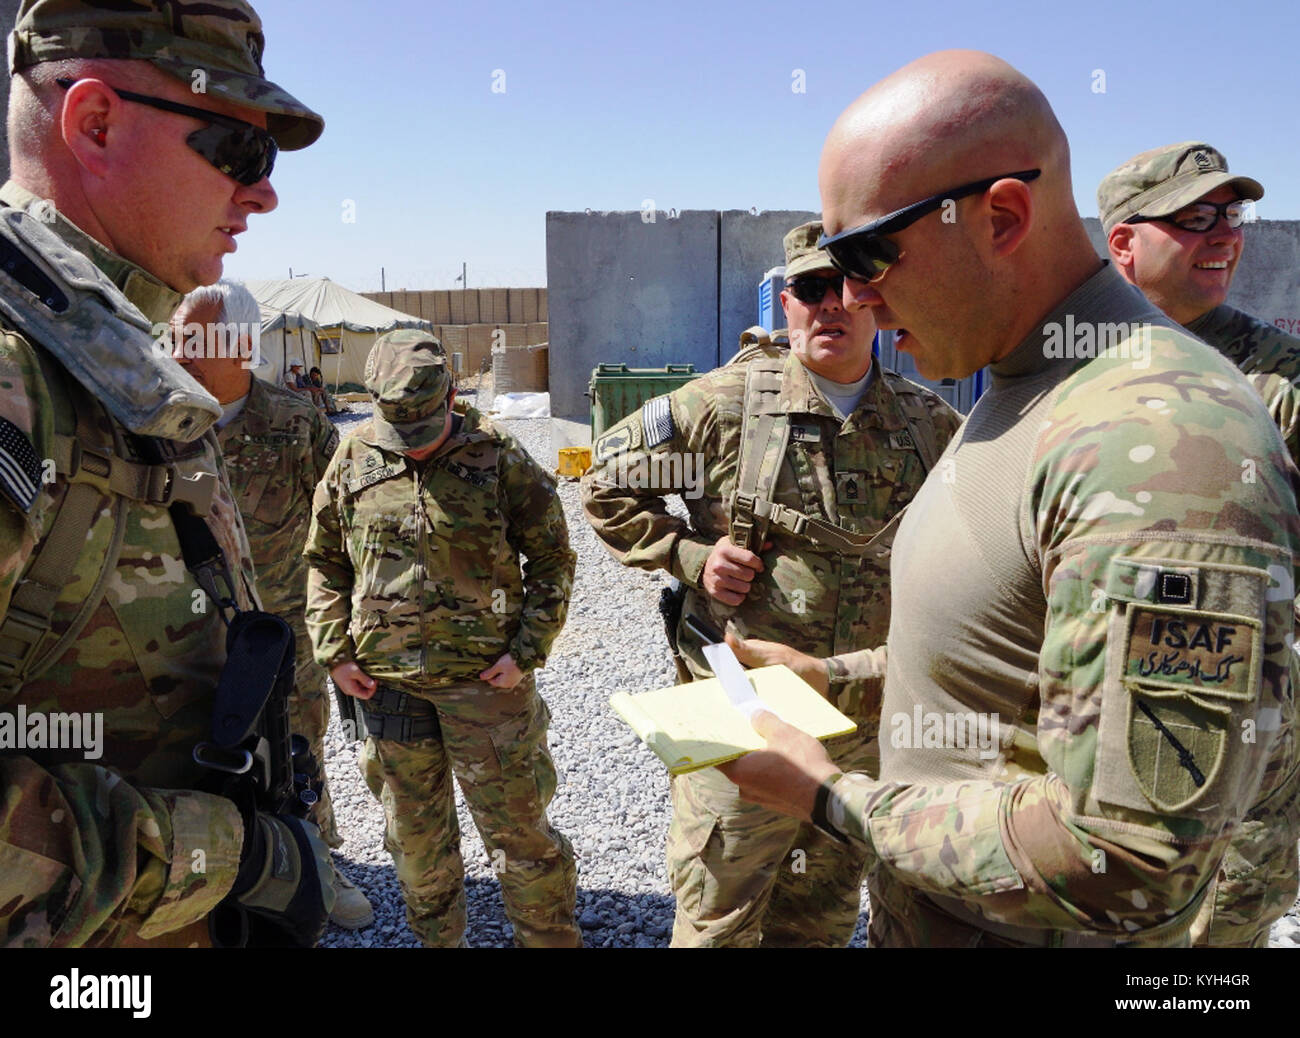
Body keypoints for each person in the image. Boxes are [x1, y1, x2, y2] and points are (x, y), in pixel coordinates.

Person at [719, 50, 1300, 948]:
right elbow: (1007, 657)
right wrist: (829, 682)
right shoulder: (1025, 380)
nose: (858, 294)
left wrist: (832, 798)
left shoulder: (1159, 440)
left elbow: (1132, 862)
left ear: (1001, 216)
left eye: (869, 252)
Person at [0, 0, 333, 947]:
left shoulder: (98, 349)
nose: (263, 195)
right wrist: (221, 857)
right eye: (239, 151)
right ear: (95, 122)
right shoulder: (17, 372)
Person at [581, 222, 961, 947]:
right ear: (788, 303)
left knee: (819, 916)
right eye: (813, 290)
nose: (833, 306)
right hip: (740, 711)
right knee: (717, 918)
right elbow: (603, 484)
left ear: (878, 301)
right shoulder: (720, 407)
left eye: (852, 288)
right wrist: (689, 556)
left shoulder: (927, 421)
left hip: (861, 715)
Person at [304, 330, 580, 947]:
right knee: (416, 844)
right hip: (387, 691)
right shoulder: (353, 457)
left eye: (424, 428)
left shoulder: (501, 456)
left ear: (453, 394)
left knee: (521, 839)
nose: (414, 446)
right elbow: (324, 561)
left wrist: (528, 649)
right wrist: (334, 651)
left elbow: (554, 558)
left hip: (487, 688)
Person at [1098, 143, 1300, 947]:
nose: (1223, 234)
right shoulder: (1070, 362)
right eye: (1194, 217)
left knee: (1211, 954)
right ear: (1125, 243)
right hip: (1094, 721)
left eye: (1231, 215)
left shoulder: (1279, 380)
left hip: (1244, 748)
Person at [171, 280, 374, 931]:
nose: (175, 346)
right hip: (187, 630)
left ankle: (315, 867)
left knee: (294, 752)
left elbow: (345, 517)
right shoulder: (159, 423)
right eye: (176, 332)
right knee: (194, 751)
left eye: (190, 335)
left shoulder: (295, 422)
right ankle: (207, 876)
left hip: (283, 632)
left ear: (235, 342)